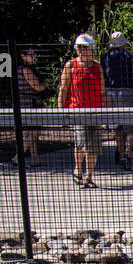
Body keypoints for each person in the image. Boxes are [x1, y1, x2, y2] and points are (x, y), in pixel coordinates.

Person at [58, 33, 104, 189]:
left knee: (94, 146)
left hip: (95, 111)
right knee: (81, 142)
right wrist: (61, 111)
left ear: (91, 49)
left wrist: (107, 111)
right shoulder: (70, 66)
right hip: (77, 110)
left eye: (86, 48)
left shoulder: (97, 66)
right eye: (80, 48)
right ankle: (78, 169)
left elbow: (103, 90)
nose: (83, 51)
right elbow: (63, 89)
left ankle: (89, 175)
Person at [102, 31, 133, 171]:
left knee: (117, 125)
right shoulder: (129, 56)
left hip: (109, 93)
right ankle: (127, 153)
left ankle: (120, 153)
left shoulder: (105, 57)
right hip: (126, 91)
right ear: (123, 44)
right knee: (131, 125)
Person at [12, 47, 47, 167]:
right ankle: (17, 157)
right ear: (23, 56)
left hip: (25, 103)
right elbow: (37, 86)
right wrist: (45, 85)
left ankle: (35, 159)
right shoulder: (26, 70)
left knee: (31, 131)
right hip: (30, 103)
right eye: (31, 54)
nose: (34, 57)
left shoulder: (20, 69)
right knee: (34, 132)